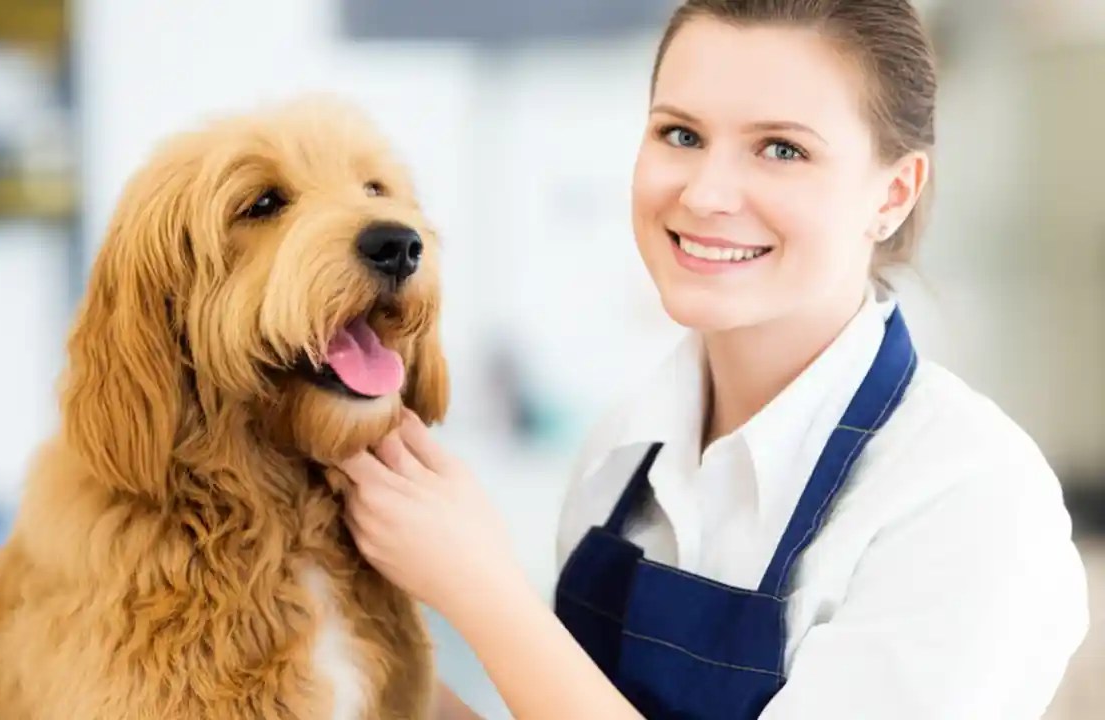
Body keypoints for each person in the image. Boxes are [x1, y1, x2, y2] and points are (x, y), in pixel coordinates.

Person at [337, 1, 1091, 718]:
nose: (706, 192)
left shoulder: (971, 506)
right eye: (681, 135)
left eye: (782, 149)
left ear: (892, 194)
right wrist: (356, 655)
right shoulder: (623, 453)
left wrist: (479, 586)